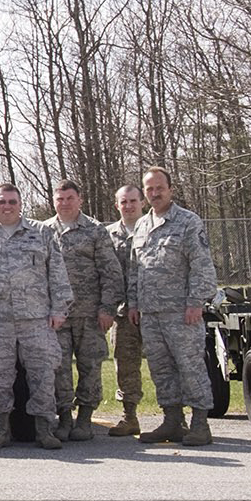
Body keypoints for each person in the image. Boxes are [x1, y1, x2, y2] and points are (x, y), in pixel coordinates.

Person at [0, 185, 71, 450]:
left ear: (21, 204)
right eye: (2, 202)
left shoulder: (42, 233)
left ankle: (45, 430)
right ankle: (0, 430)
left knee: (43, 375)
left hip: (37, 320)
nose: (7, 206)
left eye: (12, 201)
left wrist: (59, 310)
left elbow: (57, 273)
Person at [130, 166, 221, 447]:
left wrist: (196, 302)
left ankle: (199, 424)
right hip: (151, 313)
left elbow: (202, 266)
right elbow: (135, 269)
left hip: (182, 313)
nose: (155, 193)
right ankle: (172, 421)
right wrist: (133, 303)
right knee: (161, 369)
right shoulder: (142, 225)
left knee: (190, 367)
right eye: (150, 189)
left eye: (160, 188)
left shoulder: (187, 222)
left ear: (171, 189)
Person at [43, 179, 124, 441]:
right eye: (60, 199)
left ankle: (85, 419)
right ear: (54, 201)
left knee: (90, 366)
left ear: (80, 200)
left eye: (69, 198)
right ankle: (64, 418)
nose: (64, 203)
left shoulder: (95, 230)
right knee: (59, 368)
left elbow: (111, 273)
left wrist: (107, 308)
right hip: (56, 316)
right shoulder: (43, 231)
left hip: (90, 314)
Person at [106, 185, 148, 436]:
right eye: (124, 202)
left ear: (142, 202)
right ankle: (129, 416)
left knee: (164, 364)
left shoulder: (155, 229)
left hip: (155, 310)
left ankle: (174, 417)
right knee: (125, 366)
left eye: (133, 200)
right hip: (123, 314)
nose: (129, 205)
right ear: (117, 205)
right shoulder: (107, 235)